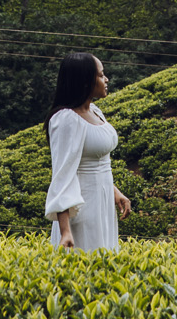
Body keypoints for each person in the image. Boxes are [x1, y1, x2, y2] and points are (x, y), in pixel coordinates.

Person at [43, 51, 131, 252]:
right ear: (84, 81)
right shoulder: (66, 120)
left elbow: (96, 163)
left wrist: (114, 192)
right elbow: (63, 176)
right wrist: (65, 230)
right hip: (83, 208)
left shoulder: (95, 111)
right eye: (100, 75)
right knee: (86, 260)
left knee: (105, 260)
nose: (106, 79)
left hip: (103, 204)